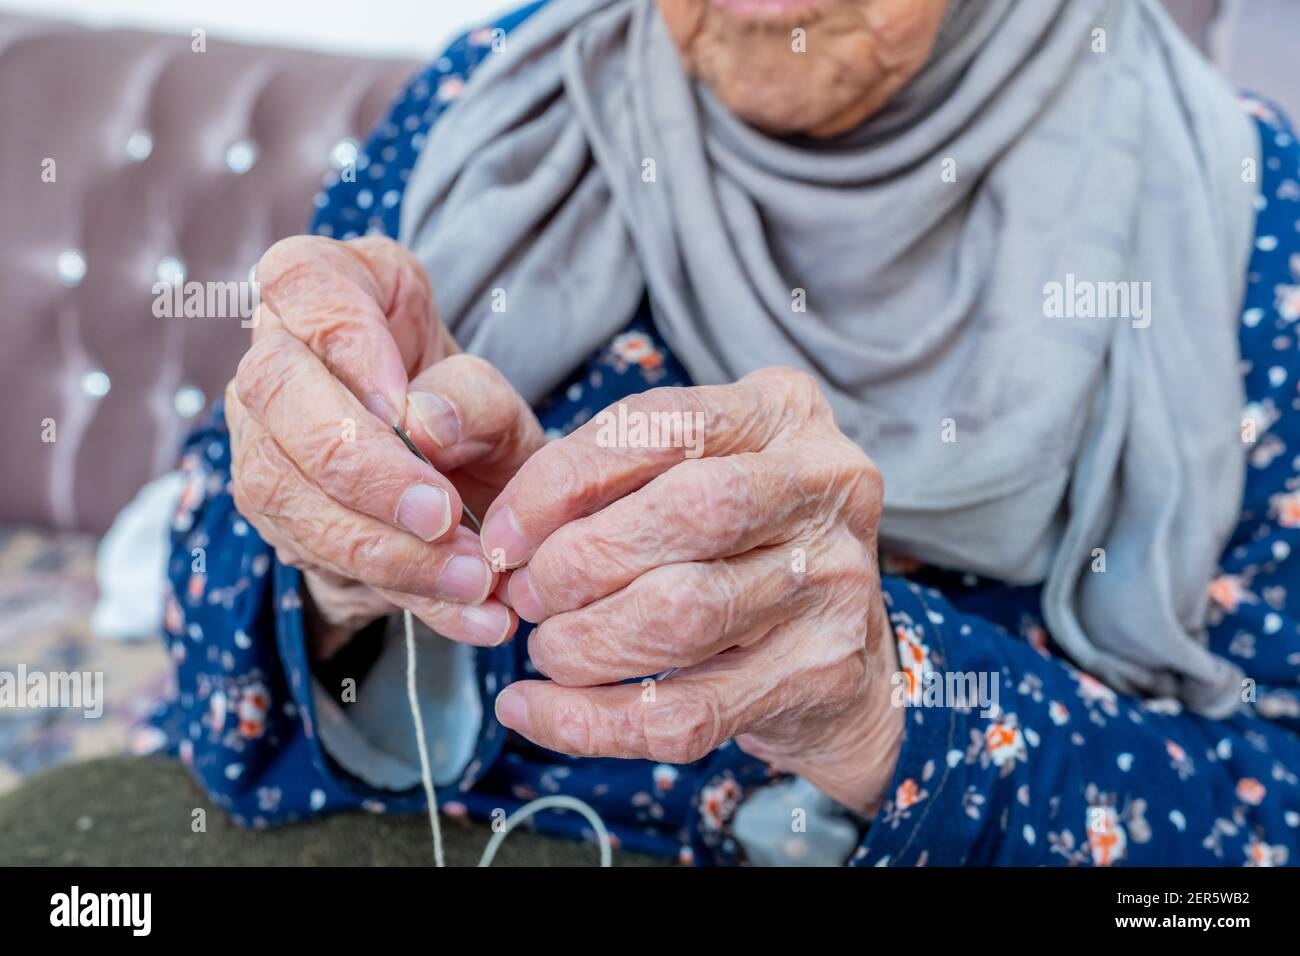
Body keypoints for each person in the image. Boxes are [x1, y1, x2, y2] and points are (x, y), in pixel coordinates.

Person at [158, 0, 1300, 865]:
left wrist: (884, 699)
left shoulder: (1239, 205)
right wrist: (344, 544)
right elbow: (211, 572)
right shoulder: (499, 91)